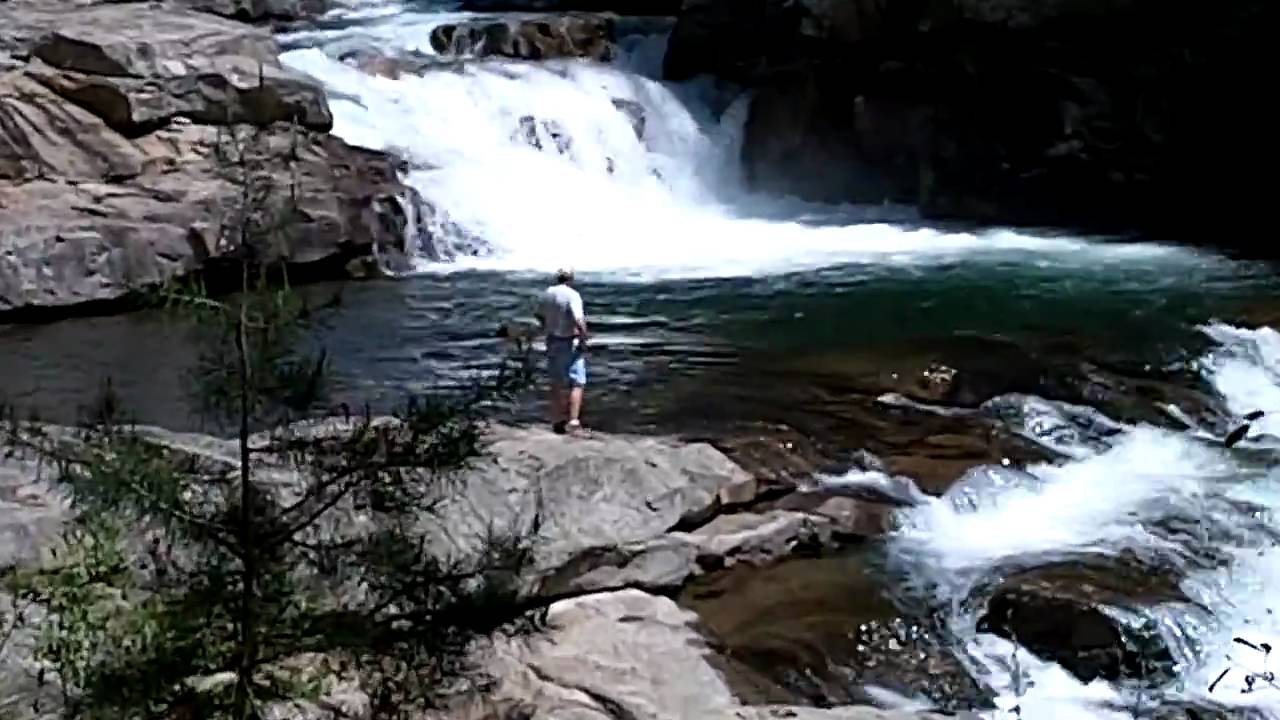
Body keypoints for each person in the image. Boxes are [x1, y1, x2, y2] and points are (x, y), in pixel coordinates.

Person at [537, 267, 589, 433]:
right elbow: (579, 320)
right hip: (569, 341)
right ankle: (573, 421)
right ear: (571, 279)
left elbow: (538, 314)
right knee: (577, 382)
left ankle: (558, 420)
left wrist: (546, 326)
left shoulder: (547, 293)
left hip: (552, 340)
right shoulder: (573, 295)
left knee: (556, 382)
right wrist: (584, 338)